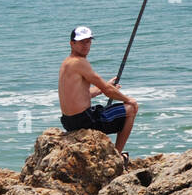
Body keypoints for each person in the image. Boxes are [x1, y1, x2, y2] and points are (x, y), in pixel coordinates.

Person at [58, 26, 138, 156]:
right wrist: (128, 100)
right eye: (81, 42)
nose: (86, 45)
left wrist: (103, 88)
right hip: (85, 120)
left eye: (88, 41)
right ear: (72, 43)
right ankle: (117, 154)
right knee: (131, 109)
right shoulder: (80, 62)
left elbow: (84, 94)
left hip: (68, 121)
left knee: (113, 110)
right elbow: (108, 91)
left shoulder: (66, 63)